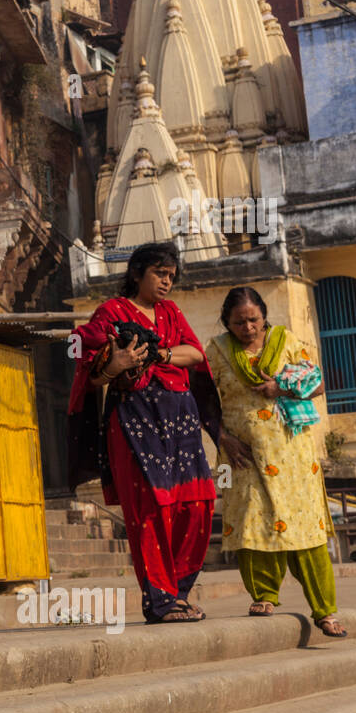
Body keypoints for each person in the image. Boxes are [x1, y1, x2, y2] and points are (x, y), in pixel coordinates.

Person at [68, 242, 221, 623]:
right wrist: (116, 364)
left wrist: (161, 355)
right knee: (151, 508)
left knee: (197, 502)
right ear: (137, 273)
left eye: (171, 275)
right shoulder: (111, 313)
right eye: (159, 273)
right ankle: (161, 600)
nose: (167, 281)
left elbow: (196, 354)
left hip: (181, 420)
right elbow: (83, 360)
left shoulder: (171, 312)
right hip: (135, 419)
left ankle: (179, 592)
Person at [206, 287, 346, 636]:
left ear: (264, 316)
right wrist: (223, 439)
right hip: (243, 454)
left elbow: (318, 385)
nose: (248, 328)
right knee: (253, 524)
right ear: (227, 323)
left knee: (304, 529)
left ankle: (325, 610)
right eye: (239, 322)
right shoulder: (217, 351)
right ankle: (265, 595)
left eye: (253, 320)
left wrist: (280, 390)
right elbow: (204, 403)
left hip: (292, 452)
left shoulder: (287, 342)